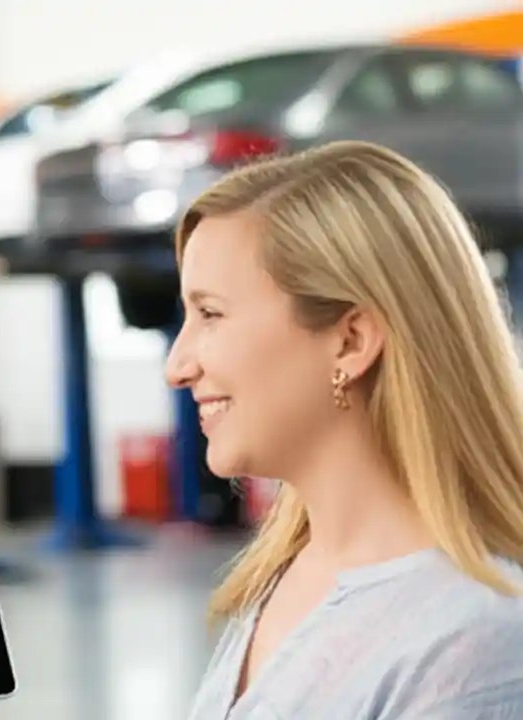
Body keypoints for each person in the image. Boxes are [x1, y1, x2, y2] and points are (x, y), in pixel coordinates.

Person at [169, 140, 523, 719]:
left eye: (210, 314)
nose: (177, 366)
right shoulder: (286, 576)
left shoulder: (476, 643)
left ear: (352, 341)